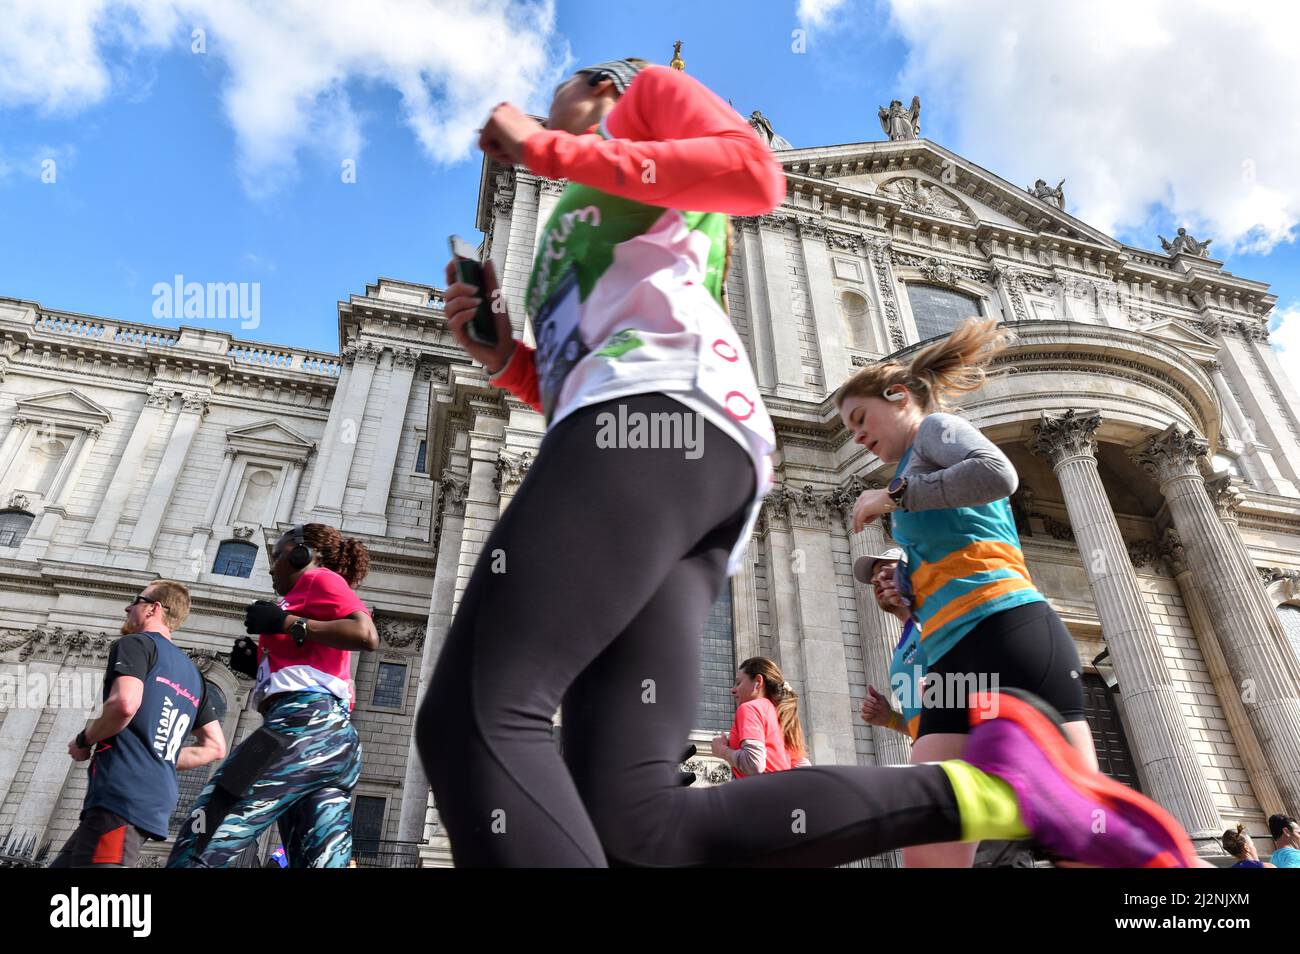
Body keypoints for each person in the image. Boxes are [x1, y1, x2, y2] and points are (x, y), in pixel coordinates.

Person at [415, 57, 1195, 869]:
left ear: (610, 88)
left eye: (574, 89)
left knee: (477, 712)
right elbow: (586, 366)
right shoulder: (581, 203)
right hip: (663, 437)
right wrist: (504, 353)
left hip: (661, 422)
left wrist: (549, 150)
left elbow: (752, 173)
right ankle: (1008, 795)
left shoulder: (647, 106)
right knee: (637, 821)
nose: (554, 105)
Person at [837, 316, 1099, 868]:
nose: (858, 435)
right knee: (930, 837)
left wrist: (892, 497)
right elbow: (962, 549)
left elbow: (998, 474)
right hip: (952, 652)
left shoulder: (935, 430)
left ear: (899, 395)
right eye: (850, 430)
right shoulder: (910, 470)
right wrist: (905, 592)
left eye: (861, 419)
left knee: (1080, 831)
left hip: (1008, 628)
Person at [167, 523, 377, 868]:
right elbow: (310, 665)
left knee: (206, 830)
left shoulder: (319, 579)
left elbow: (365, 634)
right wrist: (256, 664)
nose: (270, 566)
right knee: (320, 862)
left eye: (277, 555)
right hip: (330, 738)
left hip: (301, 725)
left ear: (301, 554)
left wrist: (285, 623)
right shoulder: (298, 598)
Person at [51, 580, 226, 867]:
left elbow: (124, 705)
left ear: (154, 608)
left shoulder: (137, 645)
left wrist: (84, 740)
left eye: (136, 600)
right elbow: (215, 747)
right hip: (148, 797)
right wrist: (160, 754)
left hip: (122, 793)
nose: (128, 607)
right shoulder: (194, 676)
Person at [855, 548, 925, 741]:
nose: (876, 580)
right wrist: (890, 719)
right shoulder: (899, 651)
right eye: (875, 577)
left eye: (886, 571)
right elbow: (920, 728)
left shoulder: (935, 619)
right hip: (931, 755)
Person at [711, 657, 810, 776]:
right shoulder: (781, 715)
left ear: (758, 682)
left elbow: (754, 763)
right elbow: (802, 767)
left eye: (738, 683)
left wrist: (721, 750)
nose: (733, 690)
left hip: (758, 792)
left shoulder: (750, 708)